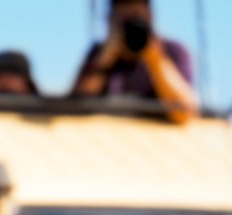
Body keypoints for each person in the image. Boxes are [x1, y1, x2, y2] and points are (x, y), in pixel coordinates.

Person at [70, 0, 199, 123]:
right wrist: (104, 60)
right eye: (125, 21)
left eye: (137, 19)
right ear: (110, 21)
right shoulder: (100, 53)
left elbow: (184, 112)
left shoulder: (172, 52)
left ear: (150, 17)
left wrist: (155, 58)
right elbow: (73, 109)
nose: (132, 28)